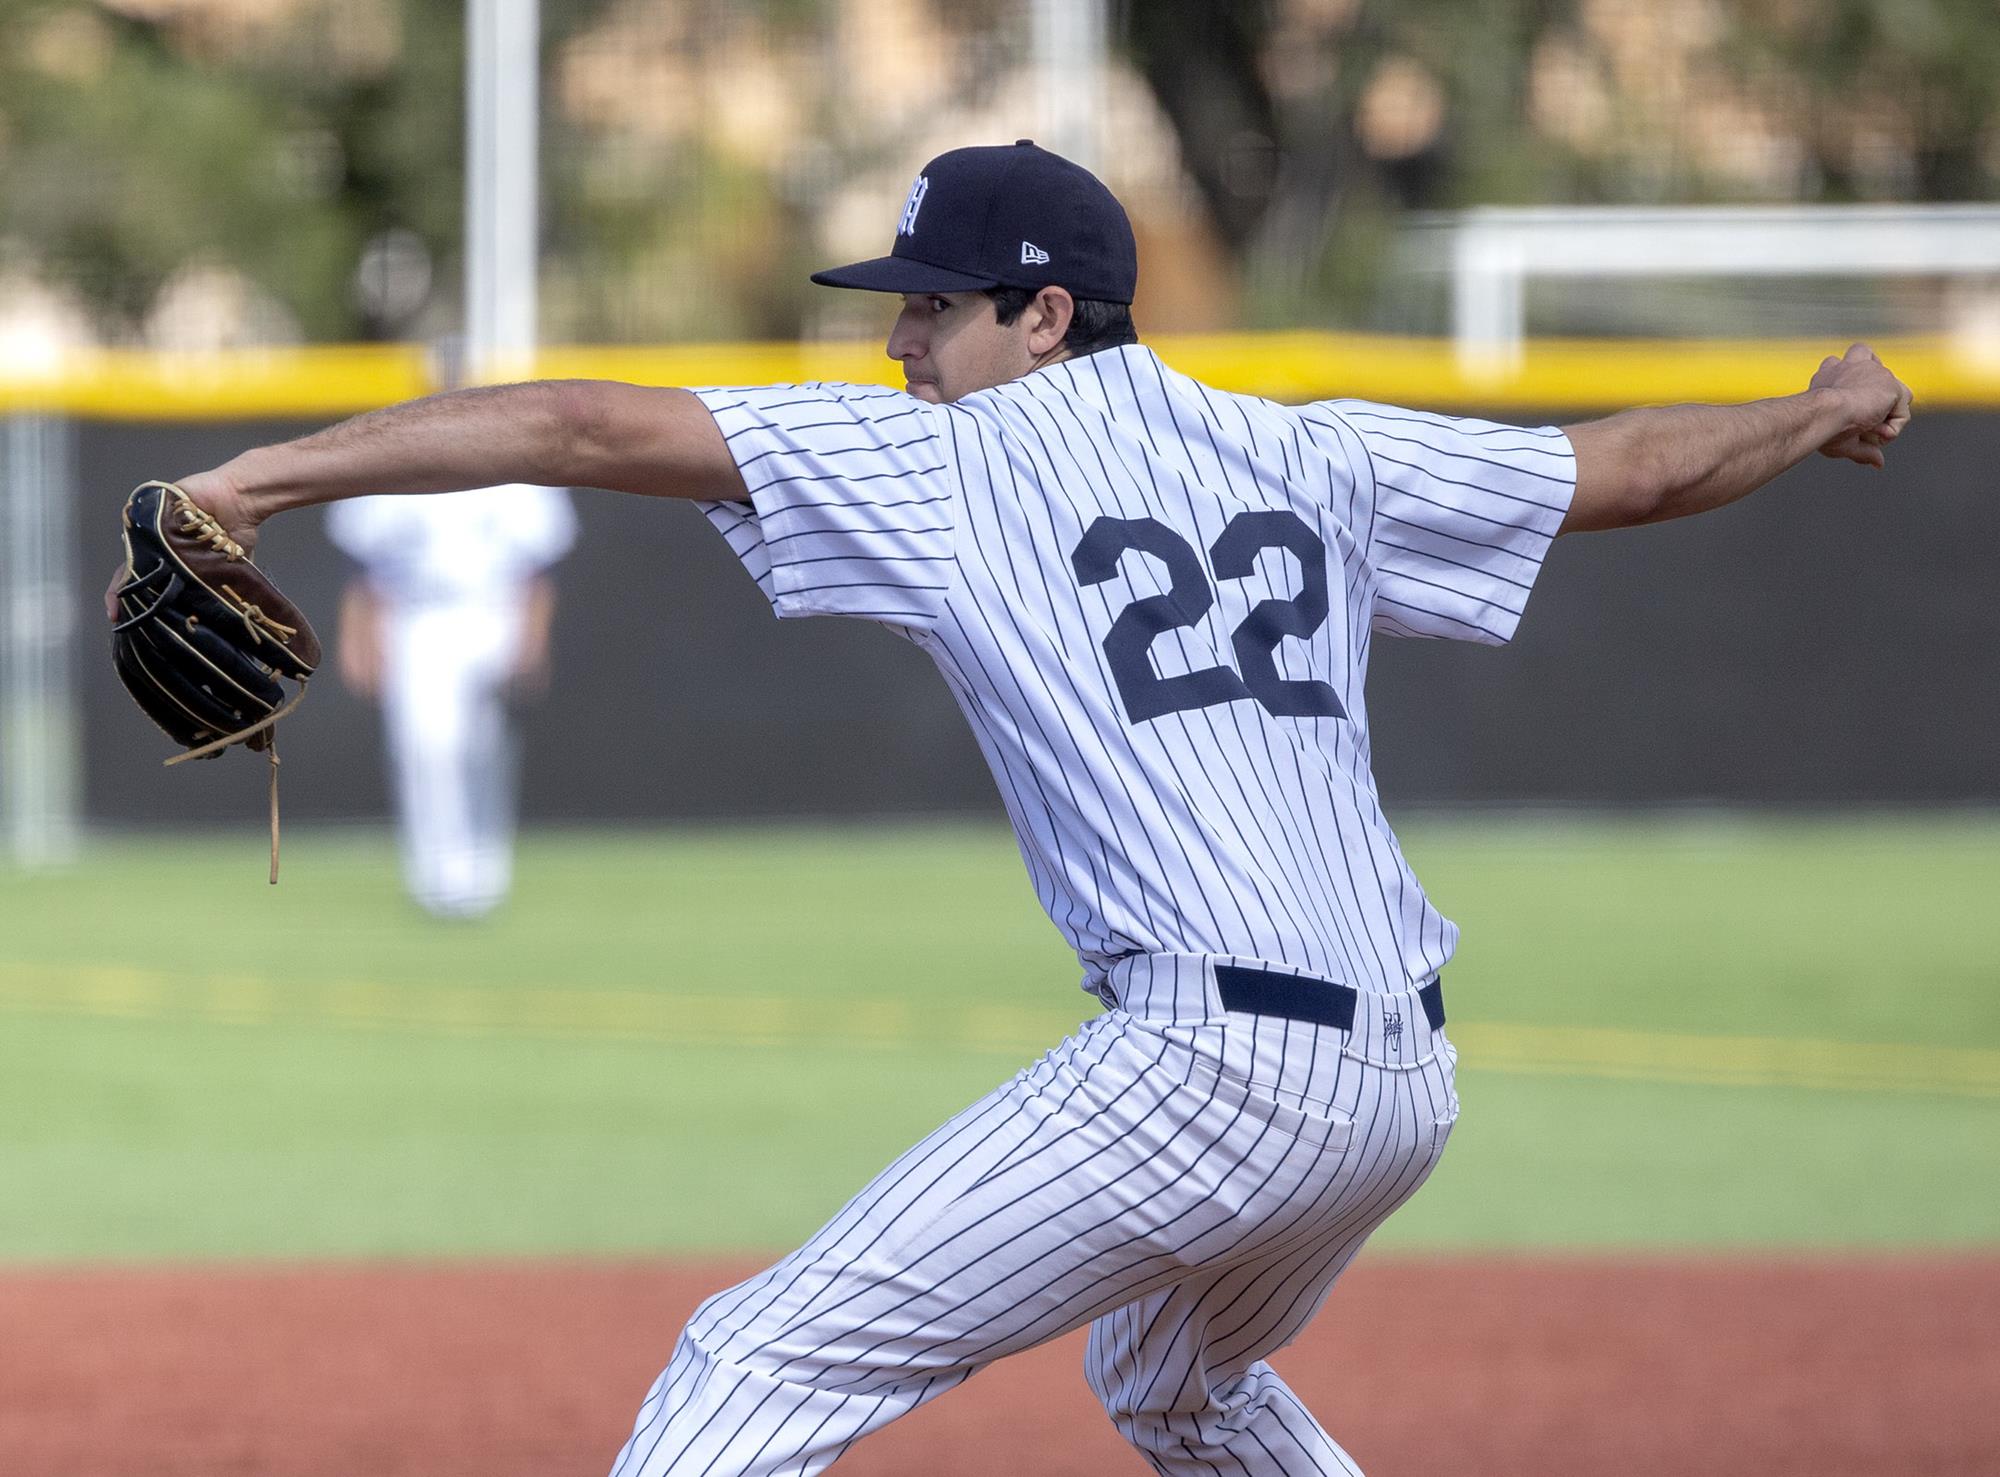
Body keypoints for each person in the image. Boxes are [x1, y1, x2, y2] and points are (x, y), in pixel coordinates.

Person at [114, 141, 1911, 1475]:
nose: (900, 338)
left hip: (1214, 1066)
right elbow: (1634, 467)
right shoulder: (1316, 448)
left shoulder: (954, 460)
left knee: (752, 1366)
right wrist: (1820, 403)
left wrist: (258, 474)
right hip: (1406, 1074)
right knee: (1175, 1383)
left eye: (932, 304)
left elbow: (585, 427)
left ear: (1043, 314)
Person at [326, 484, 574, 918]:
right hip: (417, 620)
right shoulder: (393, 453)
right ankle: (438, 876)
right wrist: (356, 637)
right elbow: (361, 568)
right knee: (427, 746)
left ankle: (484, 872)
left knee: (484, 750)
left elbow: (540, 569)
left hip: (496, 614)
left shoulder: (514, 459)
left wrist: (534, 637)